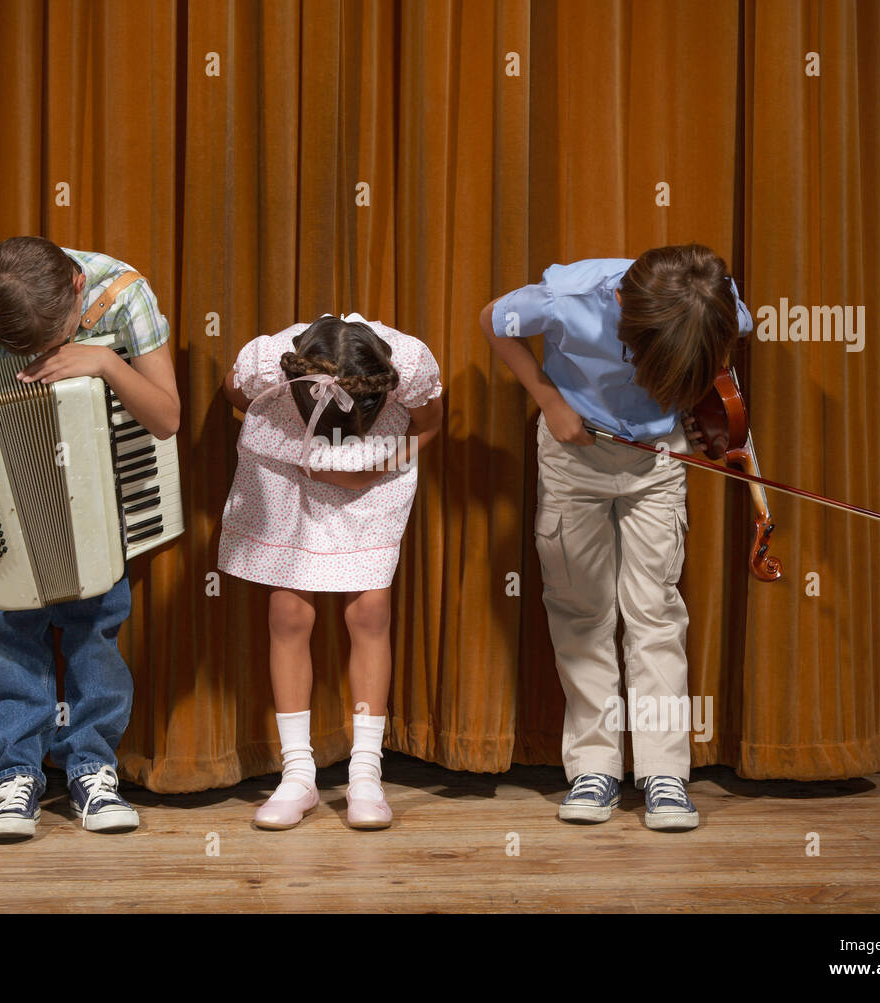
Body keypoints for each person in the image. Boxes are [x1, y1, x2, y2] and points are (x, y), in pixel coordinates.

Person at [479, 244, 753, 831]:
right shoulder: (566, 298)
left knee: (655, 610)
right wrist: (548, 399)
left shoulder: (713, 297)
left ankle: (665, 773)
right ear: (624, 306)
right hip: (575, 452)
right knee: (582, 610)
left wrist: (704, 400)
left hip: (658, 459)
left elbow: (728, 342)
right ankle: (594, 766)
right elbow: (491, 321)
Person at [0, 236, 180, 842]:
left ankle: (93, 769)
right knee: (9, 630)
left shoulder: (125, 296)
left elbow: (167, 418)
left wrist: (106, 363)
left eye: (53, 340)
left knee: (96, 629)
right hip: (11, 496)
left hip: (104, 489)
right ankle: (14, 776)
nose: (43, 355)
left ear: (75, 288)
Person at [219, 314, 443, 830]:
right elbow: (233, 393)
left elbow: (428, 425)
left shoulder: (406, 362)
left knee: (370, 611)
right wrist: (293, 434)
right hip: (289, 469)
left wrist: (371, 467)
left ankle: (366, 772)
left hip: (371, 476)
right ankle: (297, 773)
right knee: (288, 612)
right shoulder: (269, 360)